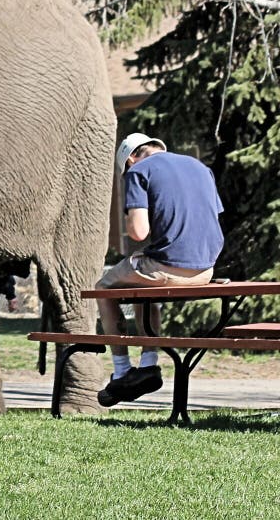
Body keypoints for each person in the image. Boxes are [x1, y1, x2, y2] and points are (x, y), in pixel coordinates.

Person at [96, 132, 224, 407]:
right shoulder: (200, 167)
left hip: (168, 268)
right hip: (205, 270)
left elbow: (139, 232)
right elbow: (204, 219)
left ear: (131, 158)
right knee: (145, 288)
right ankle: (148, 363)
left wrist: (132, 219)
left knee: (103, 289)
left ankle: (122, 371)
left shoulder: (139, 170)